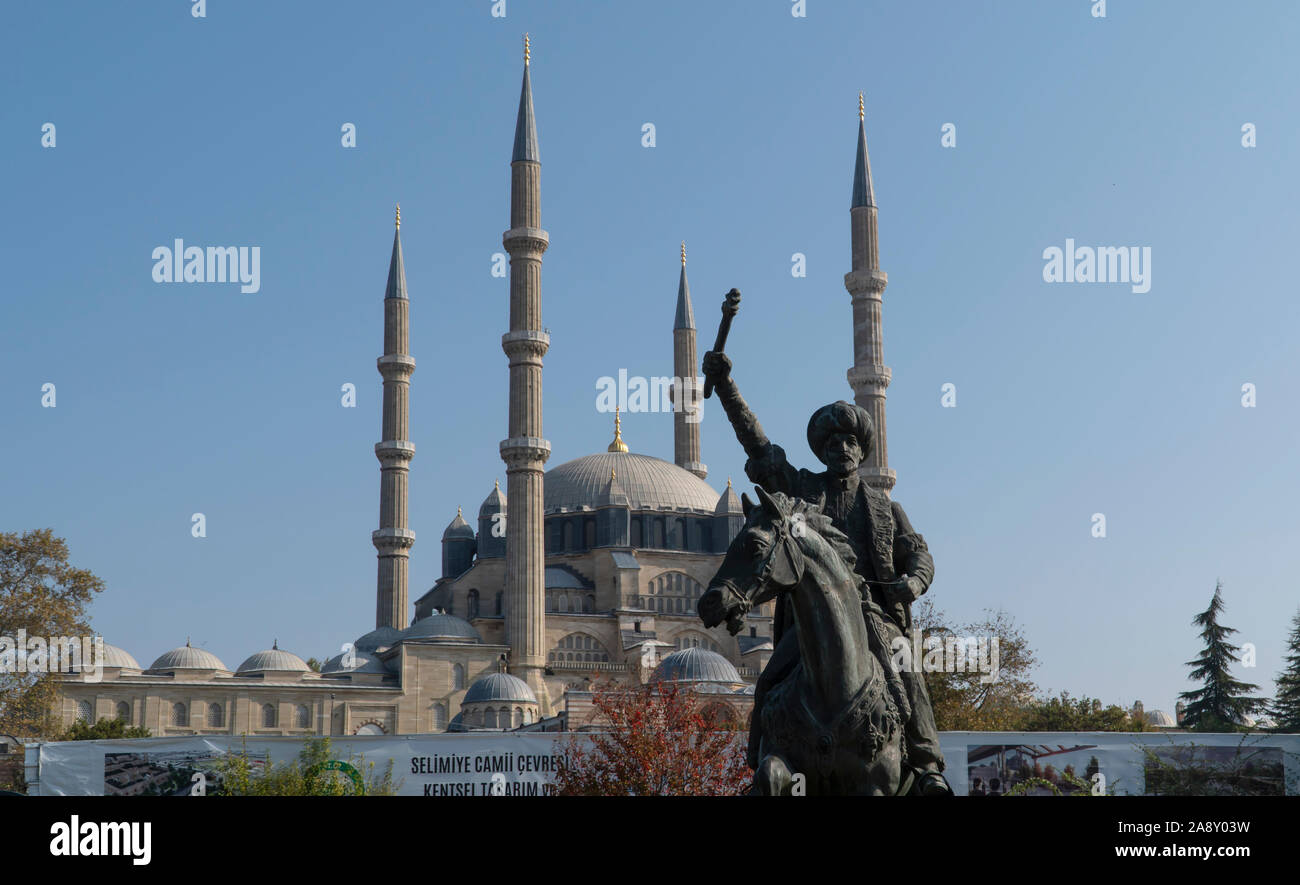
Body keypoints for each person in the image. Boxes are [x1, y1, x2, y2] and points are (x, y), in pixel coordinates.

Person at [701, 350, 951, 795]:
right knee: (770, 680)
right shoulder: (802, 490)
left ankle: (927, 763)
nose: (842, 450)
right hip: (811, 618)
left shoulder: (884, 507)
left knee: (905, 665)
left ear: (861, 450)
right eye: (833, 444)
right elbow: (761, 449)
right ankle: (759, 757)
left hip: (871, 615)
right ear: (823, 450)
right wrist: (726, 389)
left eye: (850, 443)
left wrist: (910, 582)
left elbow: (919, 557)